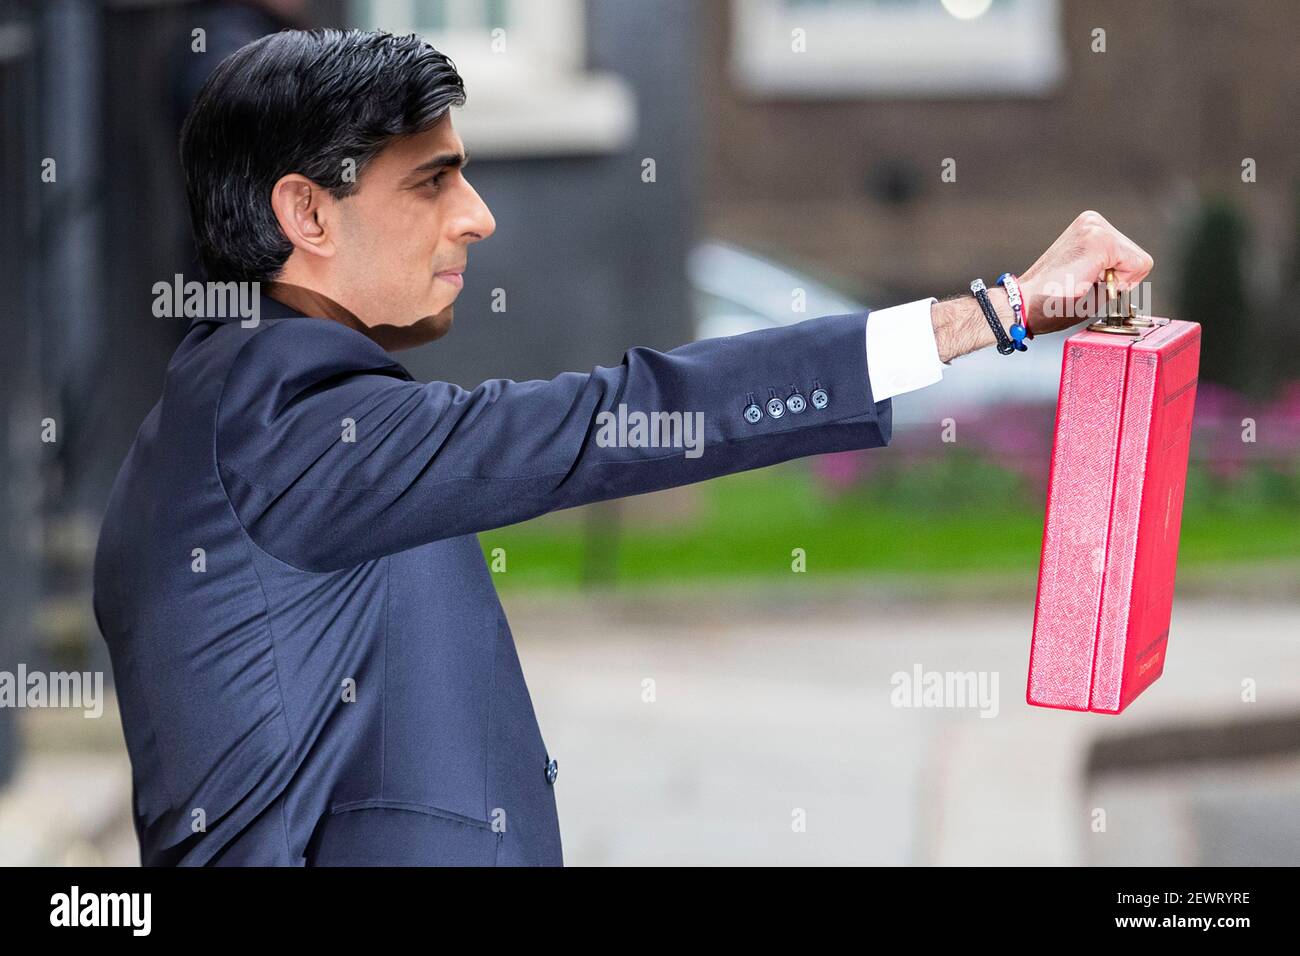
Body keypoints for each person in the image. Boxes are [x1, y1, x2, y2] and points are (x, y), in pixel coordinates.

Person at [93, 28, 1153, 865]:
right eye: (430, 181)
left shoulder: (233, 408)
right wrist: (989, 313)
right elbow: (622, 419)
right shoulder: (291, 425)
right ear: (306, 214)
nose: (477, 216)